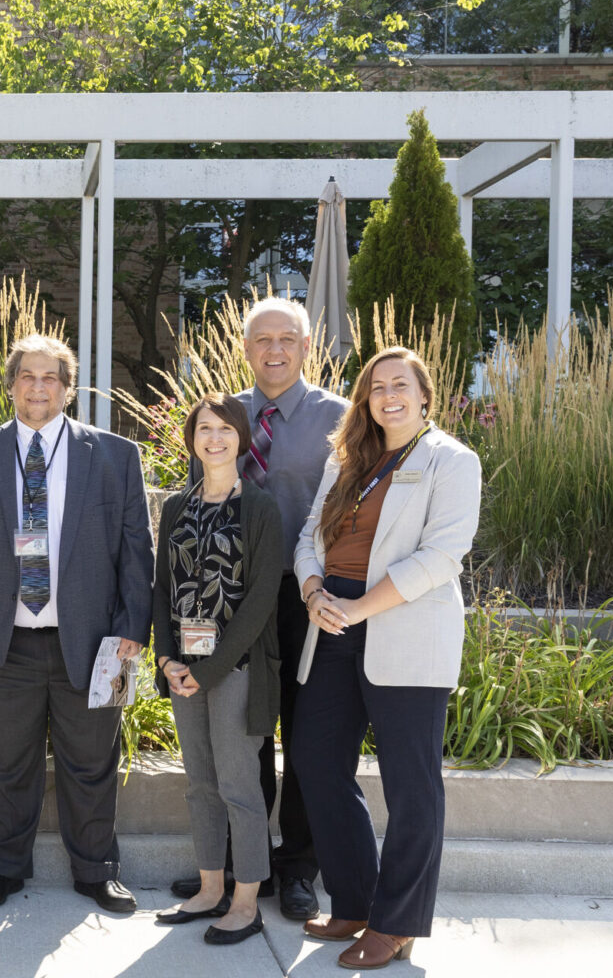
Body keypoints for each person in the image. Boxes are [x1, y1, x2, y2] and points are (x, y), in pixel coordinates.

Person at [0, 334, 153, 915]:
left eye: (51, 377)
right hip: (2, 640)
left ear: (68, 387)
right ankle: (5, 868)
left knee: (92, 763)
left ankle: (97, 871)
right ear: (11, 384)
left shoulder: (114, 454)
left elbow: (137, 549)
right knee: (7, 763)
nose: (39, 387)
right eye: (28, 377)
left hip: (96, 644)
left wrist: (135, 626)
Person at [293, 347, 481, 969]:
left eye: (401, 384)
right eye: (377, 387)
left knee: (411, 785)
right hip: (332, 619)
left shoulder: (451, 460)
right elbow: (307, 538)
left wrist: (359, 608)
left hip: (402, 625)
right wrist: (314, 590)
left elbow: (441, 557)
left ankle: (396, 922)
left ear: (425, 394)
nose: (388, 396)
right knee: (317, 762)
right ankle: (353, 901)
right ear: (365, 399)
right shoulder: (347, 458)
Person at [170, 296, 347, 922]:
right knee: (242, 733)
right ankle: (243, 864)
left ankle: (297, 866)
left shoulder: (342, 416)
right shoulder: (223, 416)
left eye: (287, 339)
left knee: (303, 733)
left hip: (304, 595)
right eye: (262, 339)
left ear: (306, 347)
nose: (275, 349)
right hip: (230, 601)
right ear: (245, 348)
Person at [151, 393, 283, 947]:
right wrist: (166, 658)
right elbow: (161, 587)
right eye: (204, 428)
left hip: (237, 670)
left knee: (238, 785)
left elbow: (259, 603)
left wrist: (208, 671)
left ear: (242, 437)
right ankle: (209, 888)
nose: (215, 438)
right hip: (184, 668)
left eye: (225, 428)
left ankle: (247, 902)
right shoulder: (177, 506)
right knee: (201, 784)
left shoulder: (259, 508)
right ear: (193, 438)